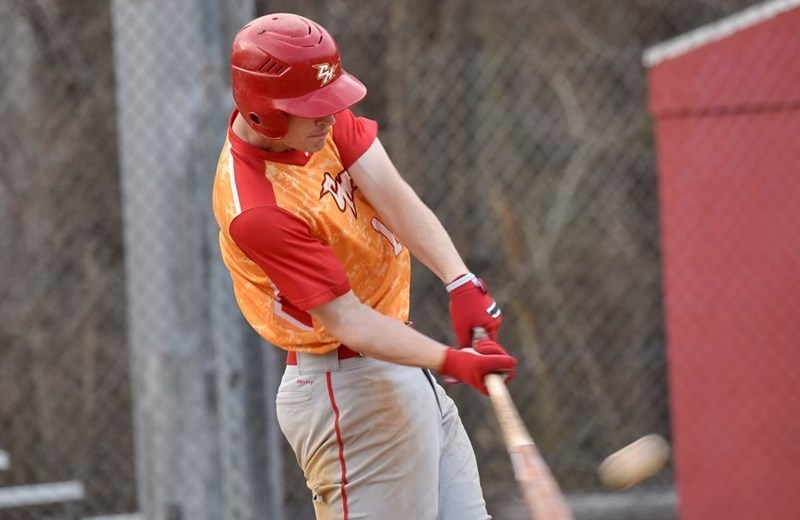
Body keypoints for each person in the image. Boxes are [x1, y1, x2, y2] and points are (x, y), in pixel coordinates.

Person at [212, 12, 518, 520]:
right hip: (346, 394)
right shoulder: (258, 207)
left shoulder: (313, 123)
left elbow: (391, 193)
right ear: (263, 112)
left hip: (394, 367)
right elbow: (347, 320)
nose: (329, 119)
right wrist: (452, 359)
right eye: (314, 111)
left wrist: (460, 280)